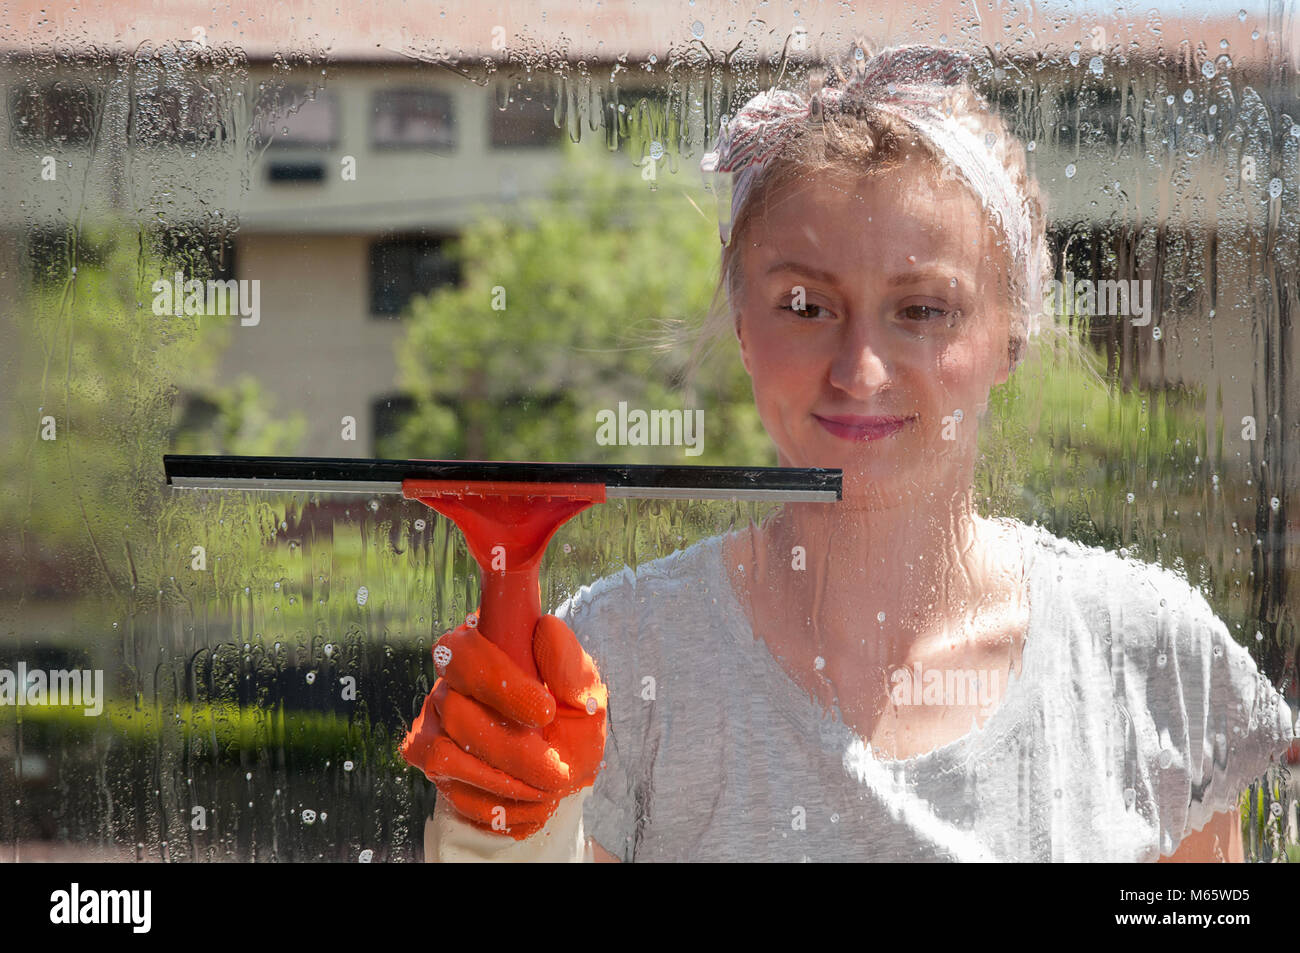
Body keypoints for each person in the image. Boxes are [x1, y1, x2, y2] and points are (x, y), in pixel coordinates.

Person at [399, 41, 1296, 862]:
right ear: (743, 324)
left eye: (923, 310)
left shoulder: (1153, 653)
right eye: (805, 305)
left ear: (1011, 336)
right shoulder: (617, 658)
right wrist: (494, 833)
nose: (861, 371)